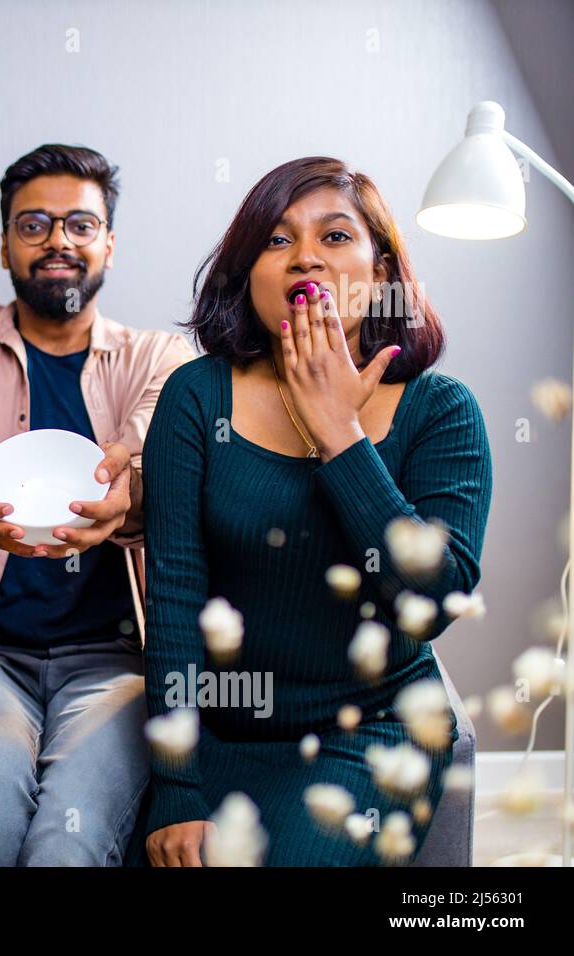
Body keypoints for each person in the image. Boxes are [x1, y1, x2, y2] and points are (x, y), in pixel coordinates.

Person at [141, 156, 492, 867]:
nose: (305, 256)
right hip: (223, 736)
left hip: (372, 732)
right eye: (276, 240)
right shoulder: (196, 396)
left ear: (384, 272)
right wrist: (176, 783)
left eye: (335, 237)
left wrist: (340, 436)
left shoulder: (441, 411)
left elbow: (432, 600)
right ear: (248, 276)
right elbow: (175, 595)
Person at [0, 144, 195, 865]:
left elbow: (144, 467)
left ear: (108, 243)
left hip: (114, 661)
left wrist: (123, 503)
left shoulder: (159, 359)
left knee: (71, 836)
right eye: (33, 224)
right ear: (5, 243)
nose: (58, 240)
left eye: (79, 223)